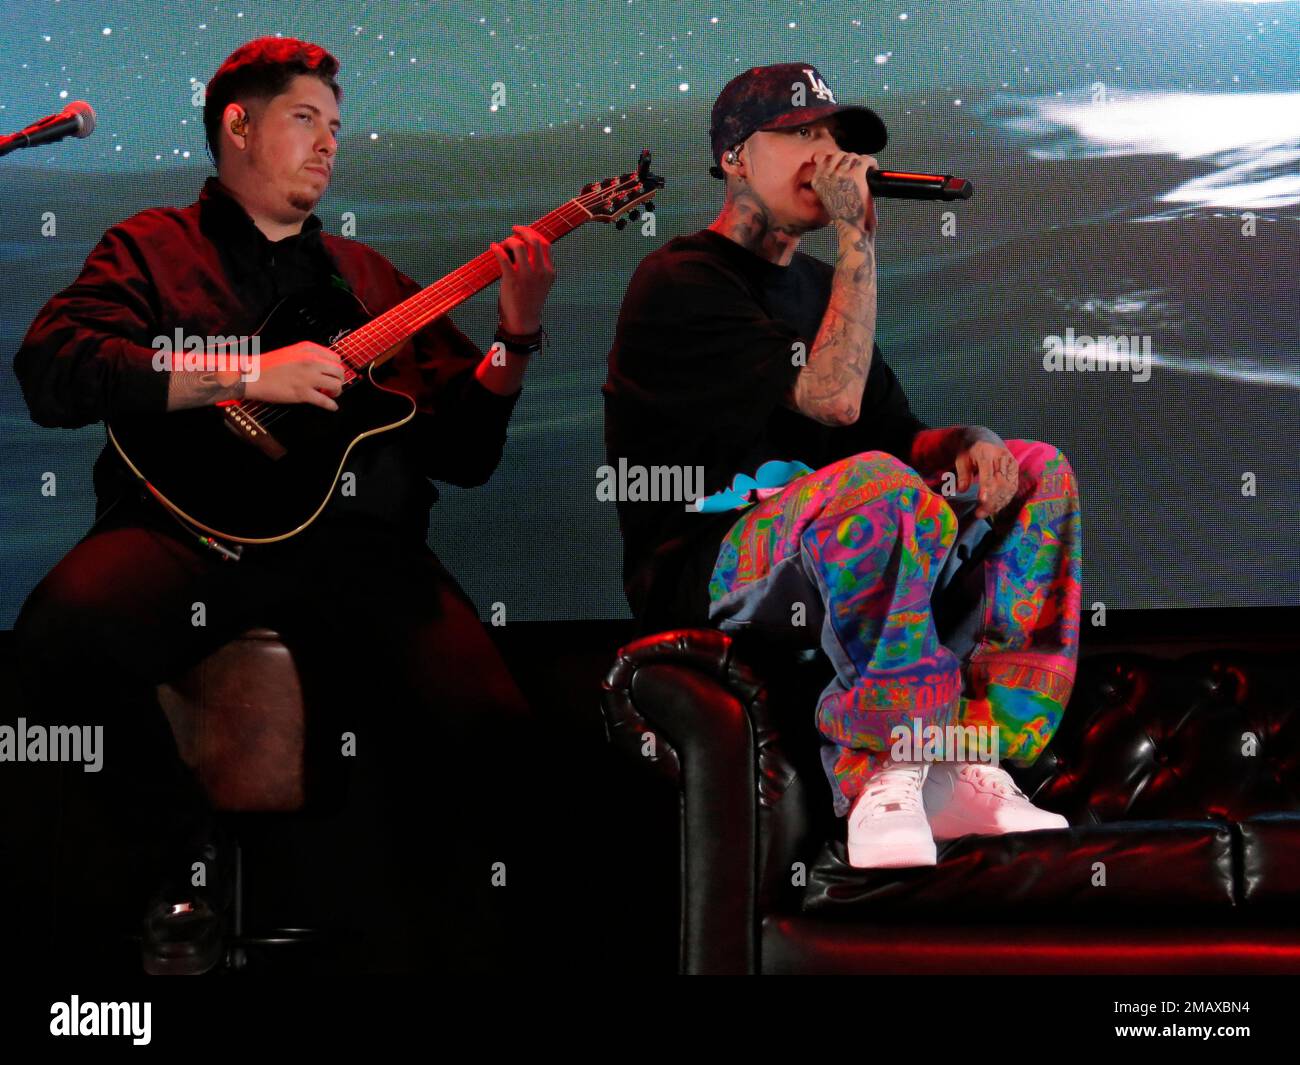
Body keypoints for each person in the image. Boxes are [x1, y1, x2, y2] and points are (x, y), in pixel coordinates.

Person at [11, 37, 556, 972]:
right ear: (238, 124)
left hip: (356, 548)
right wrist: (243, 371)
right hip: (184, 533)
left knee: (494, 728)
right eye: (306, 119)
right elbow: (53, 370)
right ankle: (175, 872)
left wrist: (514, 337)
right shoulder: (148, 247)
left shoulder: (368, 278)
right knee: (58, 637)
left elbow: (465, 454)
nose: (328, 144)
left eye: (335, 127)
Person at [603, 63, 1084, 870]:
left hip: (837, 535)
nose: (825, 157)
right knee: (875, 487)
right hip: (708, 568)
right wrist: (859, 239)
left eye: (834, 138)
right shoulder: (681, 279)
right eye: (798, 135)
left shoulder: (824, 287)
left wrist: (974, 439)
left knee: (1038, 472)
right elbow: (831, 402)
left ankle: (970, 760)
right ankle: (879, 777)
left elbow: (900, 438)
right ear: (731, 156)